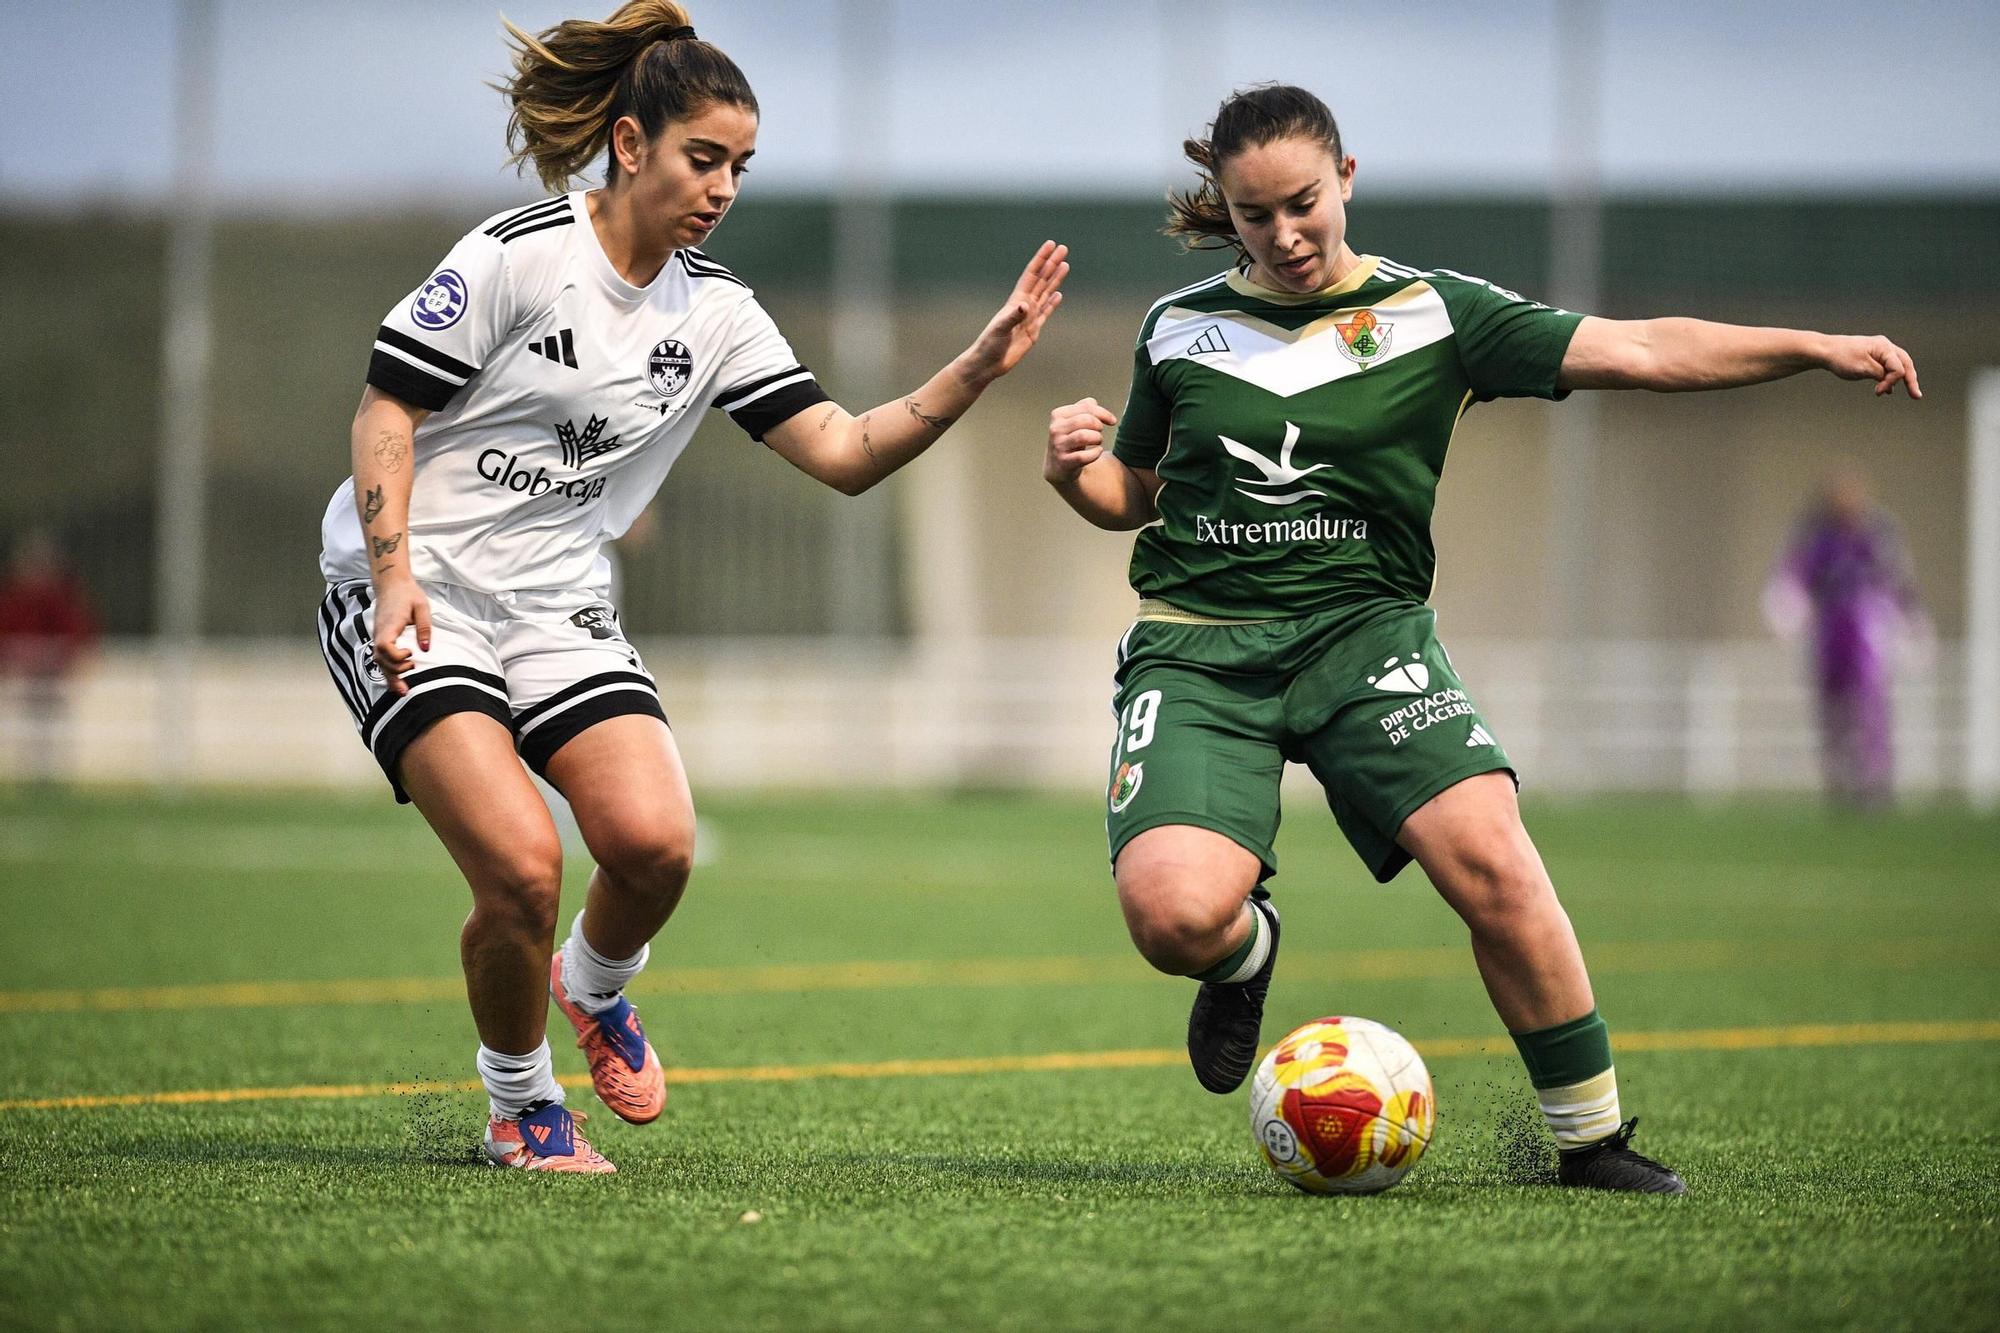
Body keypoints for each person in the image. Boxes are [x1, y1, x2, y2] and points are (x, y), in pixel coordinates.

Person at [1042, 85, 1920, 1194]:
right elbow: (1134, 493)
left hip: (1366, 643)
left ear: (1346, 177)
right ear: (1228, 209)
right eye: (1254, 214)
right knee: (1173, 917)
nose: (1285, 233)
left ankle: (1588, 1140)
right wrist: (1078, 475)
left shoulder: (1436, 314)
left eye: (1303, 203)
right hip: (1198, 649)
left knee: (1496, 863)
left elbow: (1642, 350)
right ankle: (1243, 954)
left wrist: (1809, 346)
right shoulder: (1177, 327)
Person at [316, 1, 1066, 1173]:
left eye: (739, 167)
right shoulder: (518, 254)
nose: (720, 187)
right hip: (417, 587)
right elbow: (385, 407)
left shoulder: (713, 313)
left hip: (558, 599)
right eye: (701, 157)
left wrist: (974, 368)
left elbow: (843, 452)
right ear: (629, 145)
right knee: (519, 865)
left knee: (655, 846)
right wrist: (395, 566)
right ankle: (519, 1103)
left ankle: (593, 985)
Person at [1764, 468, 1926, 807]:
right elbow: (1793, 576)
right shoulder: (1816, 536)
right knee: (1832, 704)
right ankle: (1838, 776)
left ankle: (1874, 780)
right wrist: (1787, 609)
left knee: (1871, 702)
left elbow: (1899, 579)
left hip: (1867, 623)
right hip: (1829, 625)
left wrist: (1913, 622)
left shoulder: (1879, 533)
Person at [0, 531, 98, 786]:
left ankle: (53, 775)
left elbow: (77, 632)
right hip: (26, 674)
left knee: (53, 725)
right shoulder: (15, 597)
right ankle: (29, 774)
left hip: (52, 674)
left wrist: (62, 657)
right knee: (28, 727)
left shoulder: (61, 597)